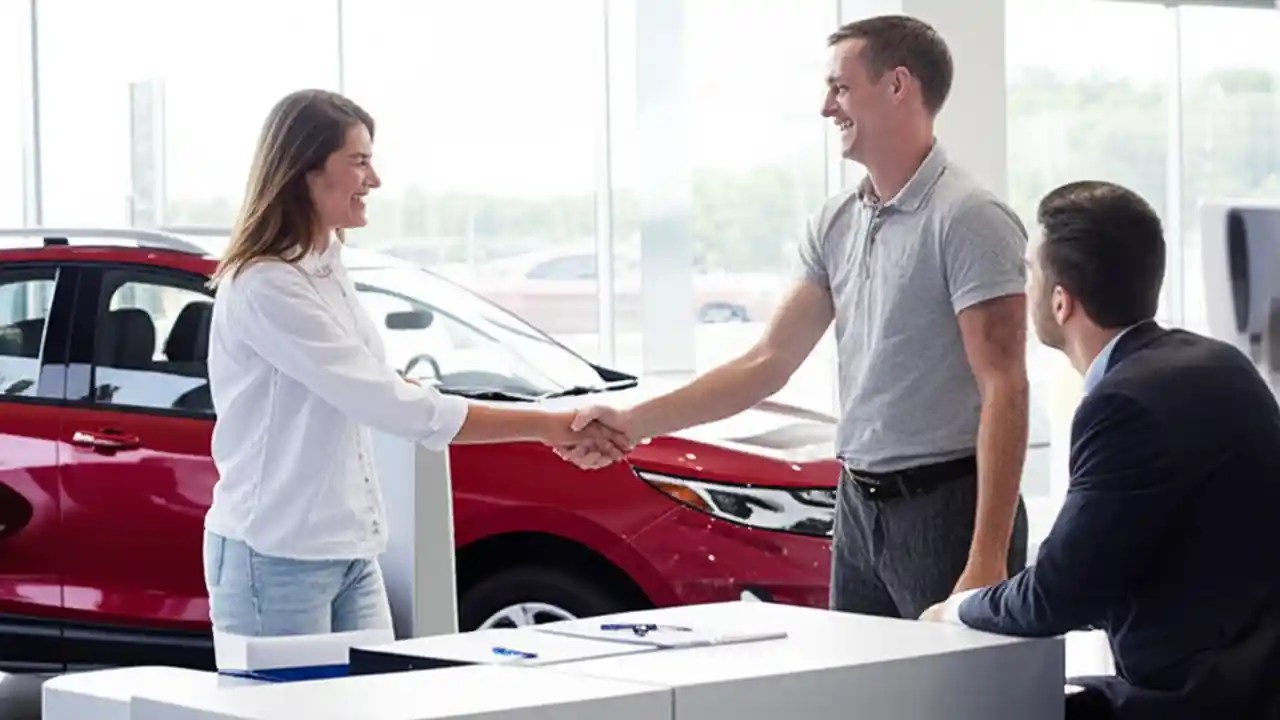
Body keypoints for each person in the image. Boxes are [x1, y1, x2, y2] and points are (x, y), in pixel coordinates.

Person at [561, 14, 1030, 621]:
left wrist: (987, 556)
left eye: (840, 87)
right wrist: (631, 421)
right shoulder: (836, 220)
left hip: (947, 506)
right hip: (859, 505)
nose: (825, 107)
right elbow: (766, 363)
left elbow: (1006, 387)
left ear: (897, 86)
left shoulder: (969, 218)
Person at [202, 89, 628, 639]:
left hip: (351, 551)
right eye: (358, 161)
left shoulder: (328, 268)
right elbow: (386, 403)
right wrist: (549, 424)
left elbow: (377, 386)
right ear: (304, 171)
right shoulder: (267, 285)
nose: (373, 180)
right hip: (277, 556)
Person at [920, 180, 1280, 719]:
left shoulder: (1122, 404)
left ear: (1061, 301)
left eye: (1030, 272)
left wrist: (957, 610)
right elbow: (1103, 561)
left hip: (1197, 695)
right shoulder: (1220, 363)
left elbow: (1057, 598)